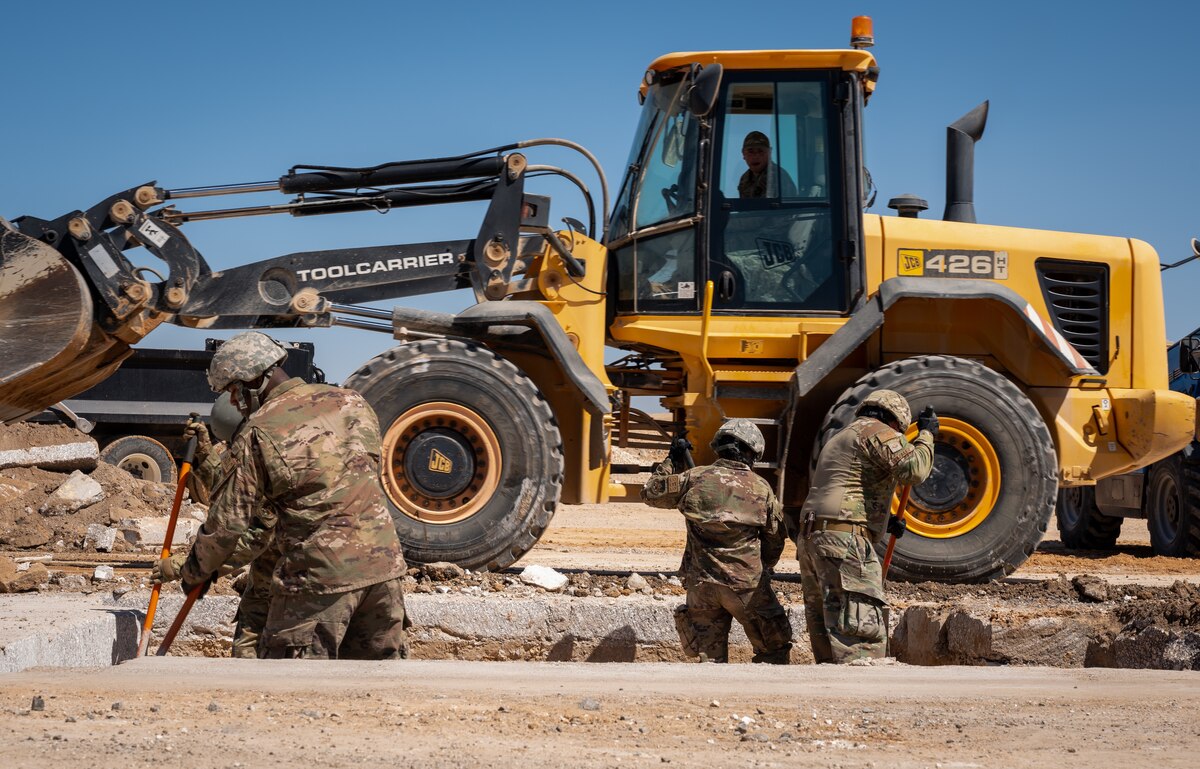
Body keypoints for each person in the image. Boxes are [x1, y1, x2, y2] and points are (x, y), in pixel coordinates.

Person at [153, 331, 409, 659]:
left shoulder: (260, 430)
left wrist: (191, 571)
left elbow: (228, 525)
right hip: (385, 574)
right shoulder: (351, 402)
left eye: (233, 390)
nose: (233, 401)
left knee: (291, 693)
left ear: (255, 380)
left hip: (318, 581)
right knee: (375, 692)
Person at [797, 390, 937, 663]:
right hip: (844, 539)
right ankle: (860, 695)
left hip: (813, 538)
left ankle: (829, 694)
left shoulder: (843, 436)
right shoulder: (876, 430)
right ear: (895, 422)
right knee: (861, 638)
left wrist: (883, 524)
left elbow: (851, 487)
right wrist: (926, 436)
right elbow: (914, 469)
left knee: (828, 629)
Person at [641, 419, 792, 664]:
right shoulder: (761, 488)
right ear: (751, 452)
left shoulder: (694, 478)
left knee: (709, 659)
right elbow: (774, 539)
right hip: (745, 586)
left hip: (701, 588)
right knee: (774, 648)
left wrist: (673, 459)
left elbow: (651, 492)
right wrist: (764, 566)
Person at [156, 392, 275, 659]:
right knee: (247, 643)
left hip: (292, 589)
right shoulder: (257, 453)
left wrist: (183, 567)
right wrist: (205, 453)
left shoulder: (271, 465)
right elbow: (229, 489)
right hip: (266, 584)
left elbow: (255, 539)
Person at [738, 131, 797, 199]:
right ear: (743, 153)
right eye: (750, 151)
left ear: (769, 152)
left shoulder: (778, 177)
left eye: (760, 151)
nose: (756, 156)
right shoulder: (745, 179)